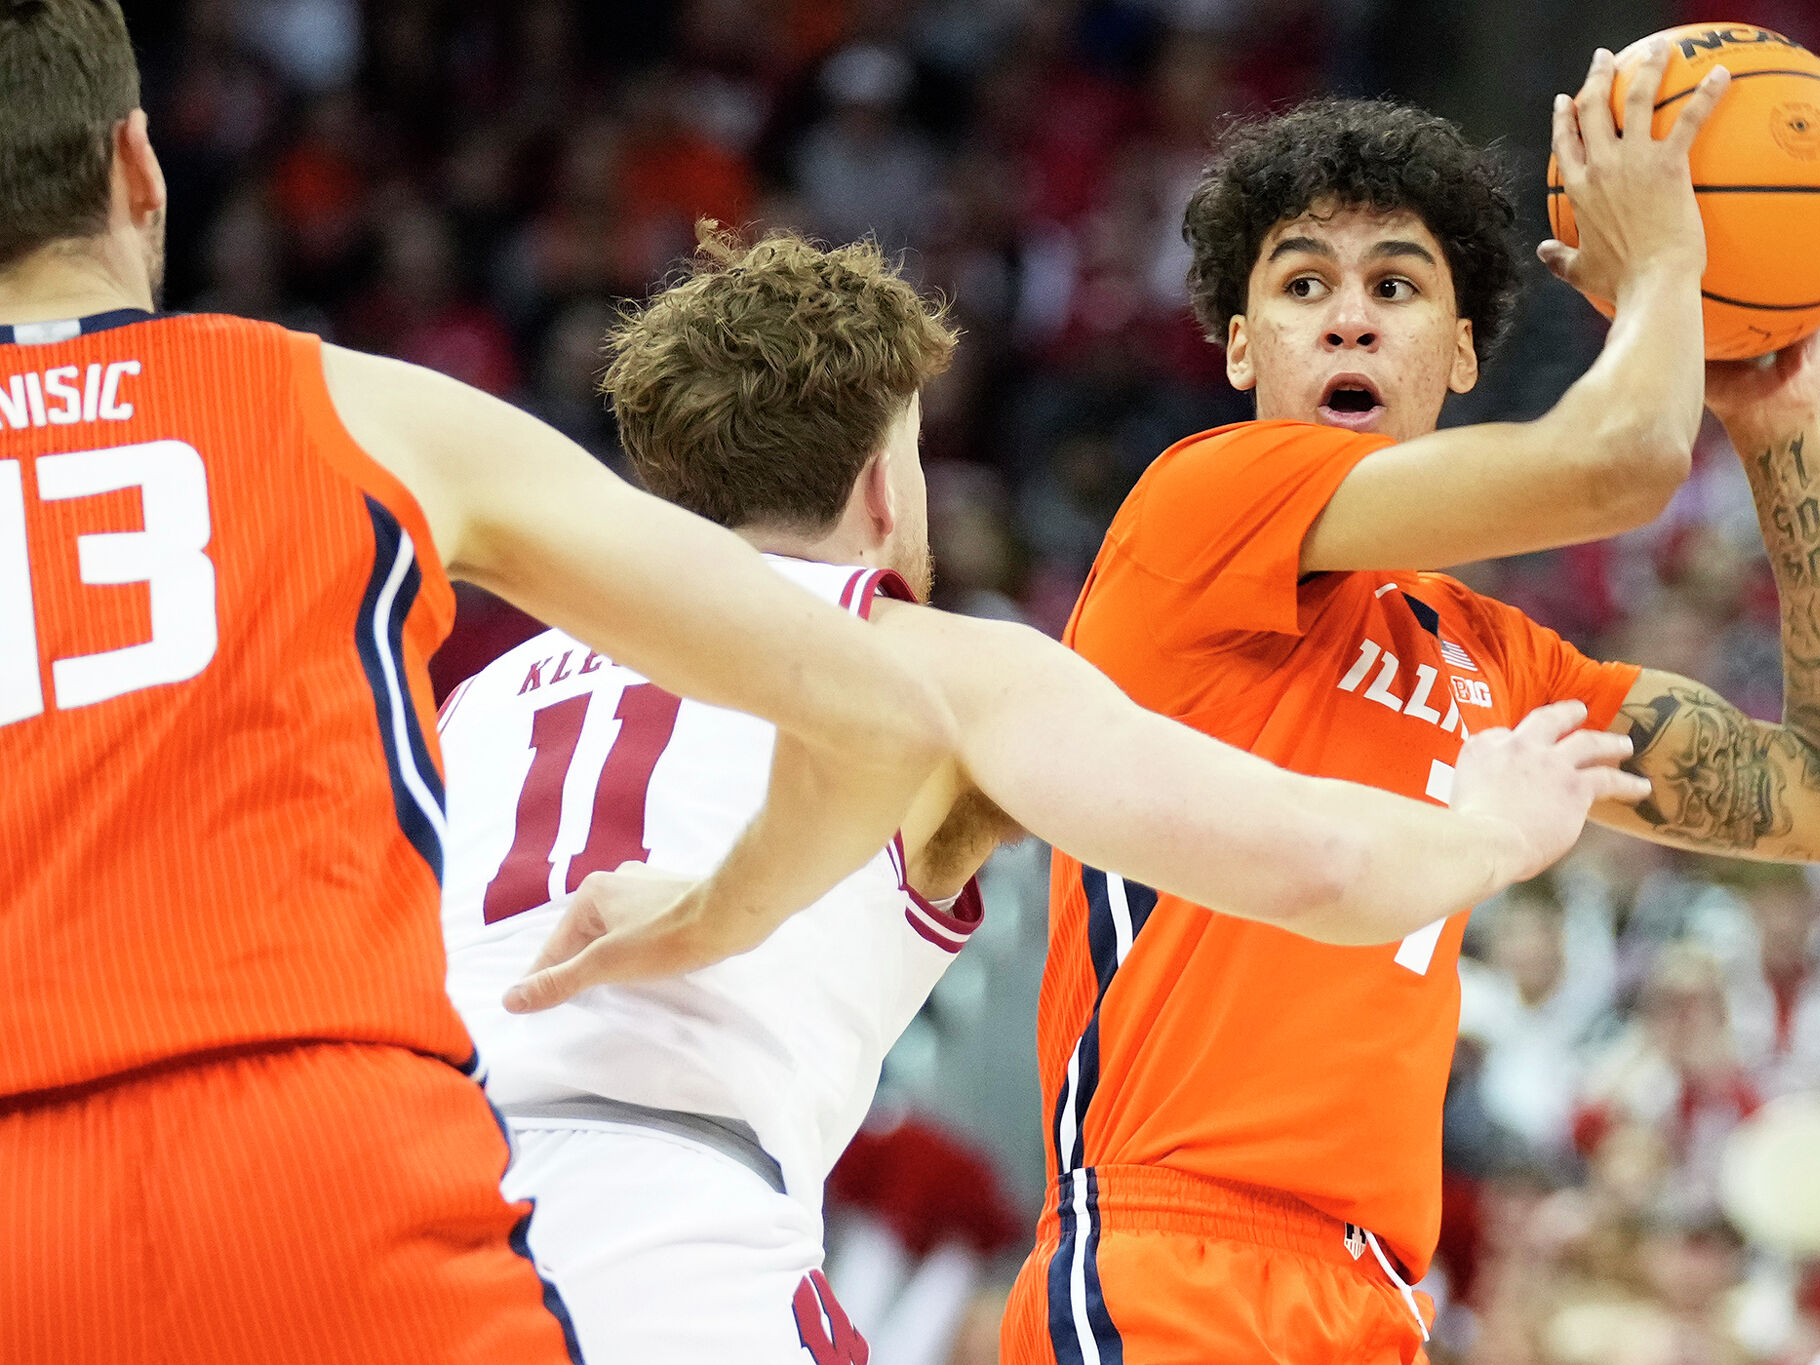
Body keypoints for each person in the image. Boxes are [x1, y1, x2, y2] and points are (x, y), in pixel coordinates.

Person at [435, 227, 1650, 1364]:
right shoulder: (933, 668)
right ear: (878, 486)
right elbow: (1319, 865)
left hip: (394, 1191)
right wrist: (1494, 827)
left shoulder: (480, 699)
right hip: (662, 1235)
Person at [0, 4, 953, 1363]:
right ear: (141, 167)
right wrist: (719, 909)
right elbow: (870, 704)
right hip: (320, 1153)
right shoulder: (349, 407)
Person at [999, 44, 1820, 1364]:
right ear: (1236, 350)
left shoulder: (1507, 669)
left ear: (1464, 352)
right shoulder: (1196, 509)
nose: (1348, 316)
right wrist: (1671, 259)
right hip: (1169, 1266)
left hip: (1375, 1298)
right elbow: (1617, 463)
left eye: (1396, 285)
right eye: (1301, 284)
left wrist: (1783, 438)